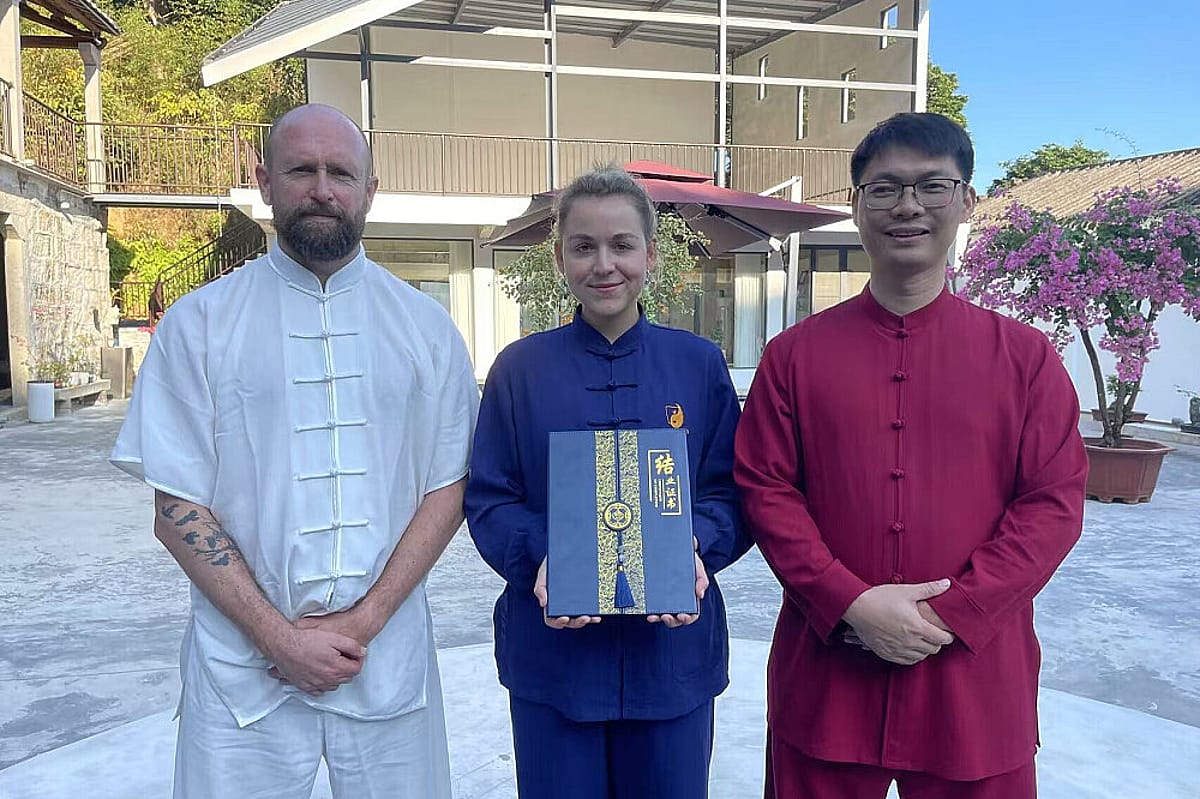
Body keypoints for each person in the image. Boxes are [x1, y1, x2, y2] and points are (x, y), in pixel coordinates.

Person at [110, 104, 479, 798]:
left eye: (340, 172)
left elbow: (448, 488)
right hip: (241, 671)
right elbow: (175, 504)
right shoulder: (200, 323)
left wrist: (362, 622)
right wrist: (278, 637)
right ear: (264, 181)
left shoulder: (427, 330)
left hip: (384, 660)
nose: (321, 188)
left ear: (370, 190)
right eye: (300, 169)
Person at [734, 112, 1088, 798]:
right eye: (885, 188)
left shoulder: (1026, 359)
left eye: (932, 186)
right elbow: (765, 491)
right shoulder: (794, 357)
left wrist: (949, 614)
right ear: (856, 204)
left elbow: (1051, 505)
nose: (907, 206)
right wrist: (852, 602)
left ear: (967, 201)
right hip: (829, 678)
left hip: (975, 688)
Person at [465, 166, 749, 798]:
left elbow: (731, 491)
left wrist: (692, 547)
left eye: (622, 245)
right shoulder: (519, 370)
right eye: (583, 246)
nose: (604, 265)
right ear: (559, 256)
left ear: (650, 253)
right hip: (553, 659)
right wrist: (545, 559)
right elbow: (490, 498)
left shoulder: (698, 364)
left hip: (672, 658)